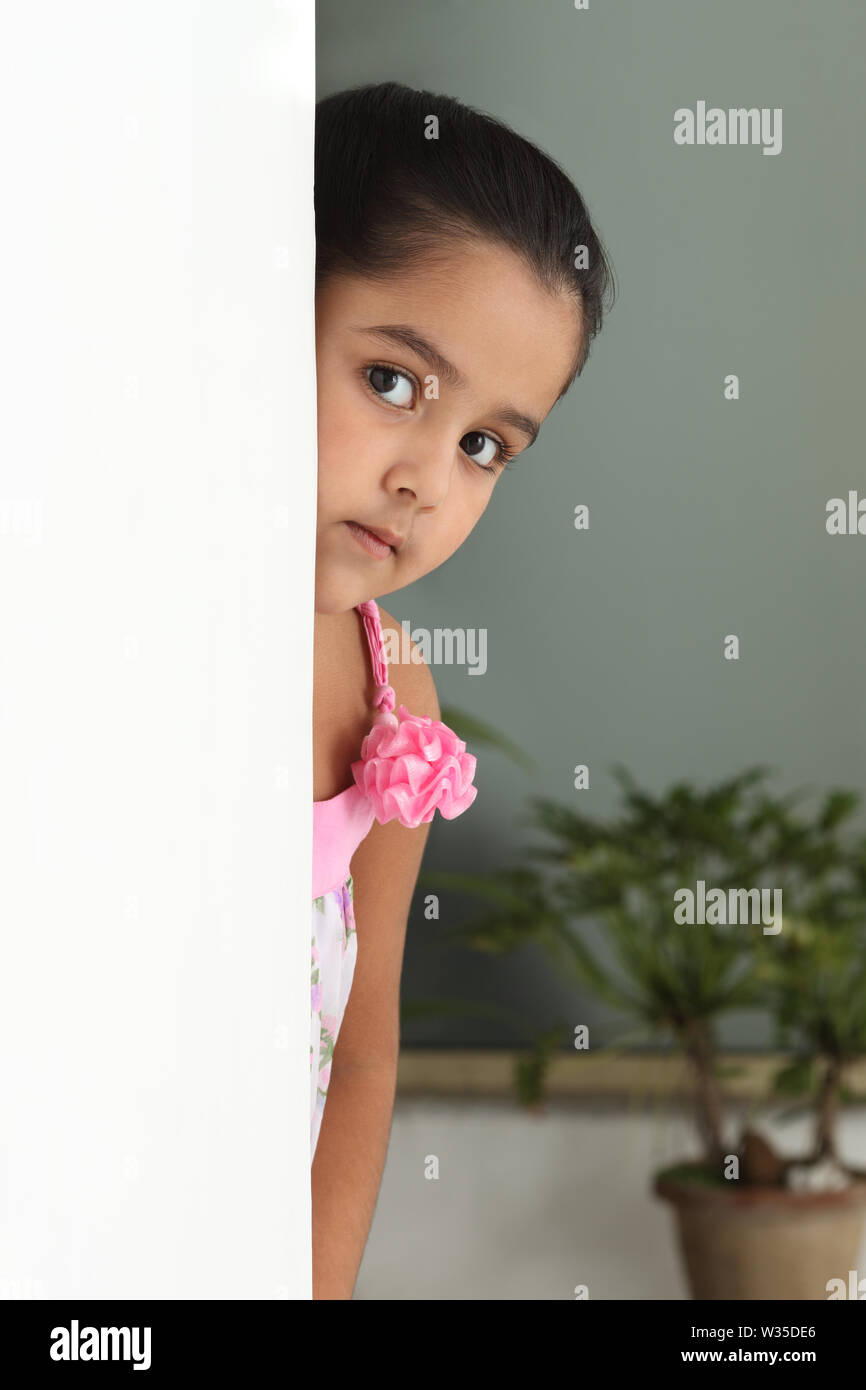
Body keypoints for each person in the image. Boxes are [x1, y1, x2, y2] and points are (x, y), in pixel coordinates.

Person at [310, 80, 615, 1298]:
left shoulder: (397, 703)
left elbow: (363, 1047)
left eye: (486, 444)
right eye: (392, 382)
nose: (427, 479)